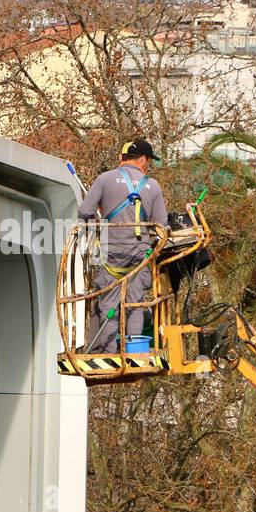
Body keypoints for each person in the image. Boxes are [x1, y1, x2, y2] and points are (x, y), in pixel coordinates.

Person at [77, 139, 168, 353]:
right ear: (143, 159)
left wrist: (98, 221)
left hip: (111, 255)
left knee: (108, 304)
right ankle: (135, 351)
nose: (148, 166)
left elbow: (84, 212)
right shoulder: (152, 185)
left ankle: (109, 353)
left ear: (122, 158)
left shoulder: (105, 179)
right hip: (139, 257)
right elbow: (161, 225)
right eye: (148, 162)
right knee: (135, 303)